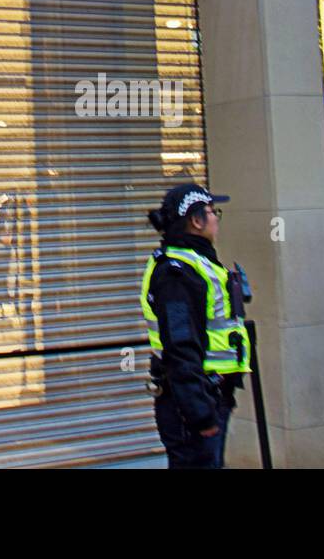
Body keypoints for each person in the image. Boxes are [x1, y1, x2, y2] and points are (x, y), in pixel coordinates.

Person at [141, 183, 250, 469]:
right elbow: (180, 347)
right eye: (212, 212)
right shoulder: (176, 274)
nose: (216, 219)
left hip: (208, 395)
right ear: (196, 220)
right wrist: (200, 414)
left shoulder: (197, 263)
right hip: (192, 405)